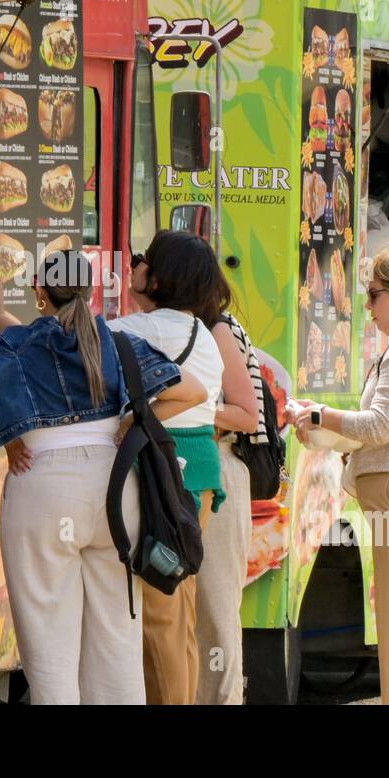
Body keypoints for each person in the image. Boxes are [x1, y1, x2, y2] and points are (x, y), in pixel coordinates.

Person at [0, 250, 206, 705]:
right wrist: (126, 423)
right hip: (116, 494)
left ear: (40, 293)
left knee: (50, 650)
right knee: (118, 640)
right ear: (91, 293)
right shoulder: (118, 344)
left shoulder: (16, 346)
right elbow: (193, 391)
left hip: (41, 490)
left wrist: (11, 437)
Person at [287, 244, 389, 705]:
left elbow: (380, 426)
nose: (367, 304)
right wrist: (324, 425)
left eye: (375, 294)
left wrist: (322, 416)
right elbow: (380, 433)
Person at [107, 230, 226, 705]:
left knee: (157, 612)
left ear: (158, 276)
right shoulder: (206, 336)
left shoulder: (142, 330)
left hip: (160, 474)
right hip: (199, 475)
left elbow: (74, 346)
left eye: (143, 261)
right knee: (179, 610)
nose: (135, 266)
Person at [196, 296, 263, 706]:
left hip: (219, 465)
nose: (134, 272)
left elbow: (246, 414)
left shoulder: (218, 329)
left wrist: (190, 408)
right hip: (200, 468)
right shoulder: (192, 327)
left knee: (216, 610)